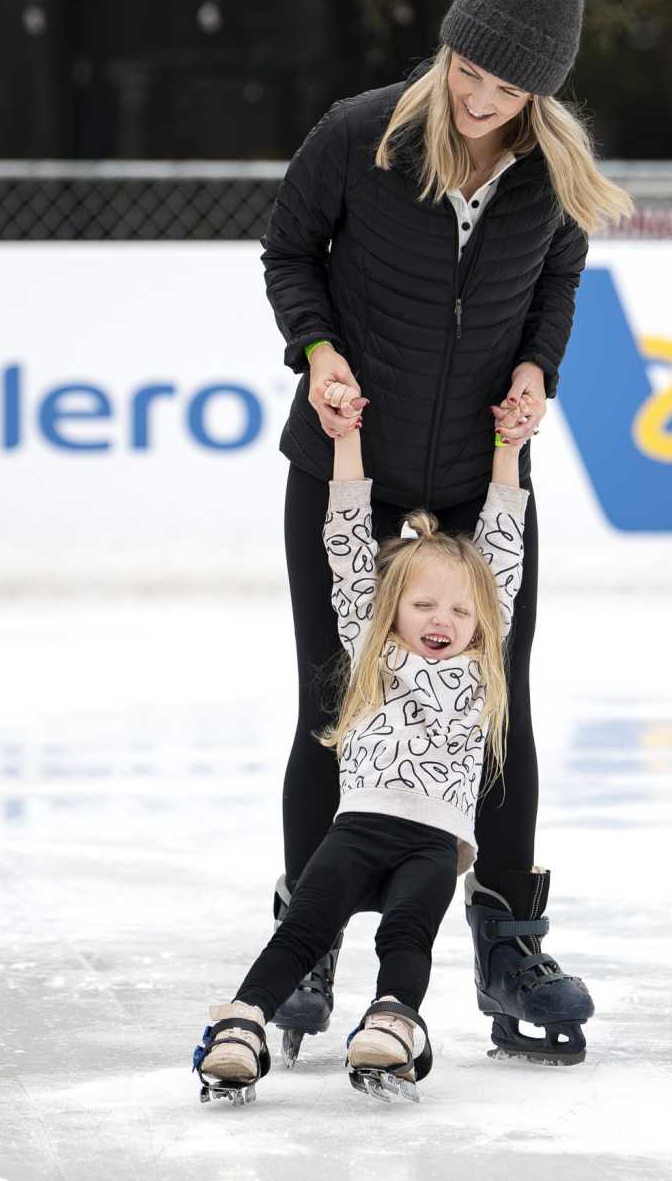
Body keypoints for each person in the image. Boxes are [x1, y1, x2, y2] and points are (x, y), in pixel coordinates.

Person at [260, 0, 632, 1067]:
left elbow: (557, 280)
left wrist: (536, 371)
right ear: (447, 51)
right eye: (469, 70)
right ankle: (311, 940)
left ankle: (509, 938)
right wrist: (317, 352)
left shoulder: (552, 170)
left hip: (477, 482)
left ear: (540, 88)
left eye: (507, 83)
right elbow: (288, 253)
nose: (479, 98)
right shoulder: (362, 135)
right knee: (335, 693)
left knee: (494, 703)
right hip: (349, 468)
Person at [194, 392, 527, 1104]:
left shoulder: (480, 664)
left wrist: (510, 448)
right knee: (302, 932)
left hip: (434, 844)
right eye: (425, 606)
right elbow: (347, 536)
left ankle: (391, 1018)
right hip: (358, 829)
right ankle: (242, 1024)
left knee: (407, 938)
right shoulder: (369, 648)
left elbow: (502, 539)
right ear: (391, 607)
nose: (444, 621)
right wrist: (346, 442)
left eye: (461, 610)